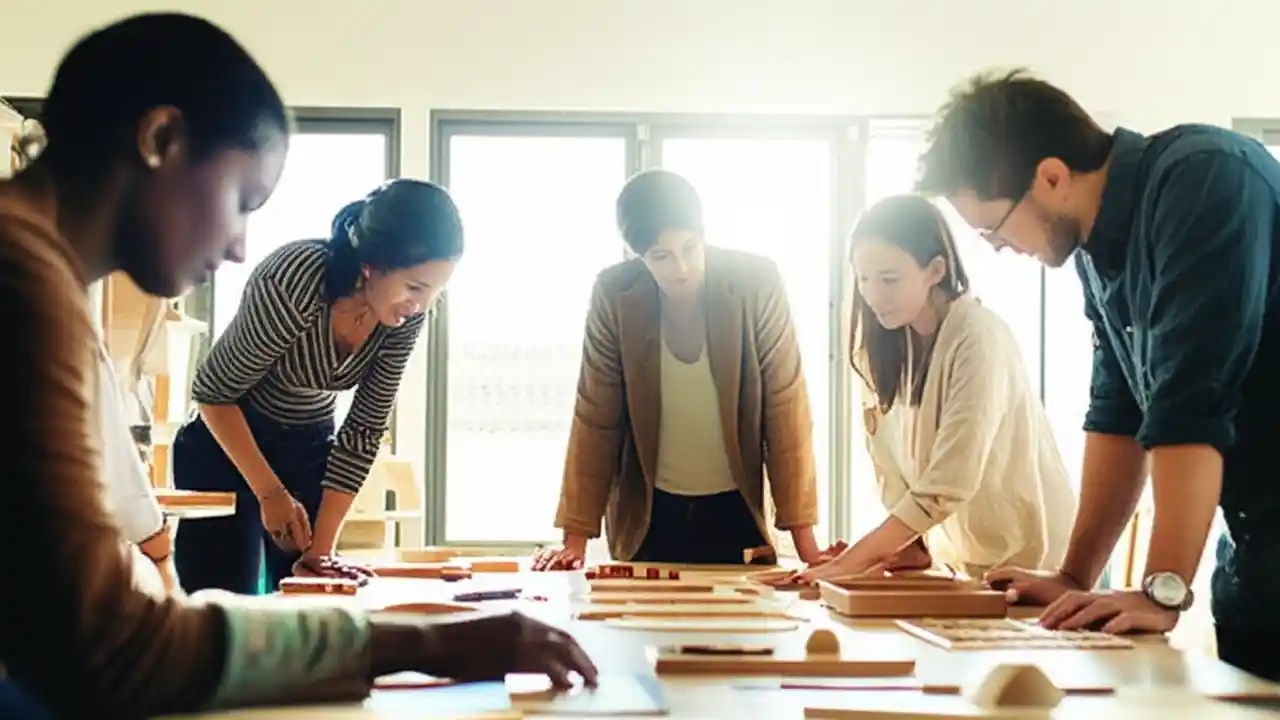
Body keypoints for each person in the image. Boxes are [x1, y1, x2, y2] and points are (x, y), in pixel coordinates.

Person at [0, 13, 595, 718]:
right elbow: (109, 647)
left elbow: (69, 623)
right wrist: (419, 642)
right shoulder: (23, 285)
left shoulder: (42, 276)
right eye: (240, 201)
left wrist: (331, 556)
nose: (238, 247)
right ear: (161, 139)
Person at [915, 68, 1280, 681]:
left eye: (993, 230)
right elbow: (1117, 411)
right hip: (1256, 560)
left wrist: (1162, 591)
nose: (999, 249)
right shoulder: (1094, 248)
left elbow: (1191, 403)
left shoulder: (1205, 179)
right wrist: (1072, 576)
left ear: (1052, 175)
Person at [173, 177, 460, 595]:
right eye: (415, 287)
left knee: (306, 591)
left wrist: (320, 551)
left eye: (435, 291)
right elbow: (214, 392)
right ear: (370, 265)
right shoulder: (297, 279)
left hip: (307, 442)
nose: (421, 305)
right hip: (225, 443)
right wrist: (270, 492)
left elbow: (364, 427)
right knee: (226, 601)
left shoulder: (407, 316)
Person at [534, 169, 825, 570]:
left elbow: (785, 407)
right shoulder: (615, 294)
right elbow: (595, 416)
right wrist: (575, 541)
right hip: (647, 516)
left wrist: (806, 544)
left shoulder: (756, 282)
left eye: (691, 247)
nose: (681, 267)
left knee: (743, 629)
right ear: (637, 255)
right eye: (661, 256)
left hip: (737, 512)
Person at [794, 195, 1075, 584]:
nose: (873, 294)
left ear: (935, 270)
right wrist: (908, 546)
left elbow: (949, 482)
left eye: (888, 279)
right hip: (960, 568)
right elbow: (892, 467)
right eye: (863, 278)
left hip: (1034, 568)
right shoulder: (884, 344)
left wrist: (852, 561)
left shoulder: (978, 337)